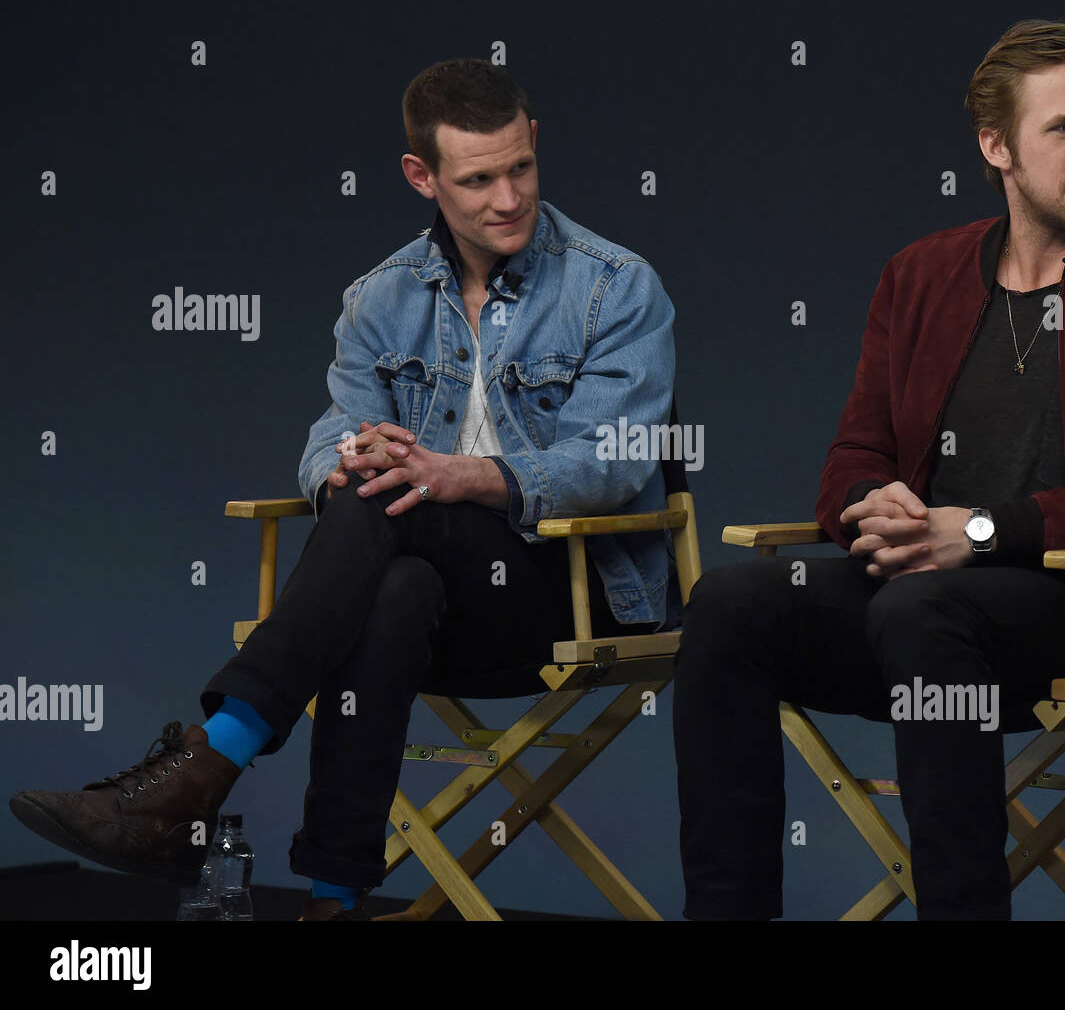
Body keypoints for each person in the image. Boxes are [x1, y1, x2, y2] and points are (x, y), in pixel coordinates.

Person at [11, 58, 675, 920]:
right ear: (420, 175)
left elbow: (618, 458)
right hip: (429, 599)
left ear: (535, 142)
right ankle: (331, 901)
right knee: (387, 572)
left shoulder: (616, 286)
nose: (507, 198)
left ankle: (204, 766)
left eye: (521, 168)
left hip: (572, 594)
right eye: (477, 180)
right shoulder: (377, 298)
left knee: (384, 516)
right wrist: (345, 460)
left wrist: (467, 474)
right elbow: (331, 431)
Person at [672, 19, 1065, 920]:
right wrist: (872, 505)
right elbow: (852, 455)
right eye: (1064, 130)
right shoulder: (920, 276)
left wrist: (977, 532)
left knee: (923, 606)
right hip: (917, 611)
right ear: (996, 146)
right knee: (731, 602)